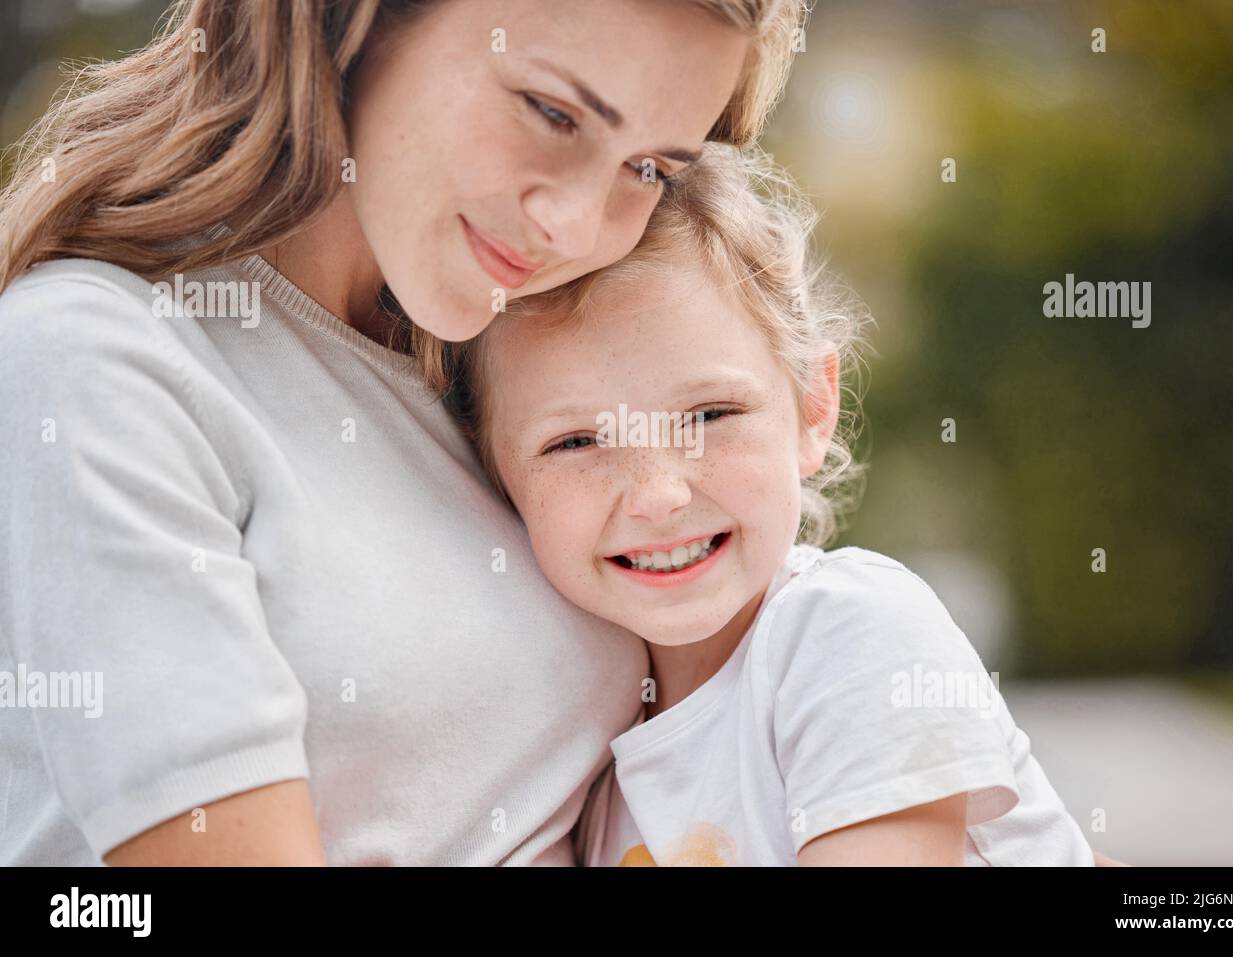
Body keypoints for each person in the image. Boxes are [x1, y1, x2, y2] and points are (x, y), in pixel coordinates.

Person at [0, 0, 807, 866]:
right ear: (358, 22)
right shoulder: (102, 357)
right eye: (551, 113)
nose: (575, 226)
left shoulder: (507, 365)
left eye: (647, 167)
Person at [442, 145, 1099, 865]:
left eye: (710, 415)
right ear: (495, 474)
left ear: (813, 406)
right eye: (575, 442)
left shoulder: (851, 633)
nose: (660, 494)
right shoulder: (593, 760)